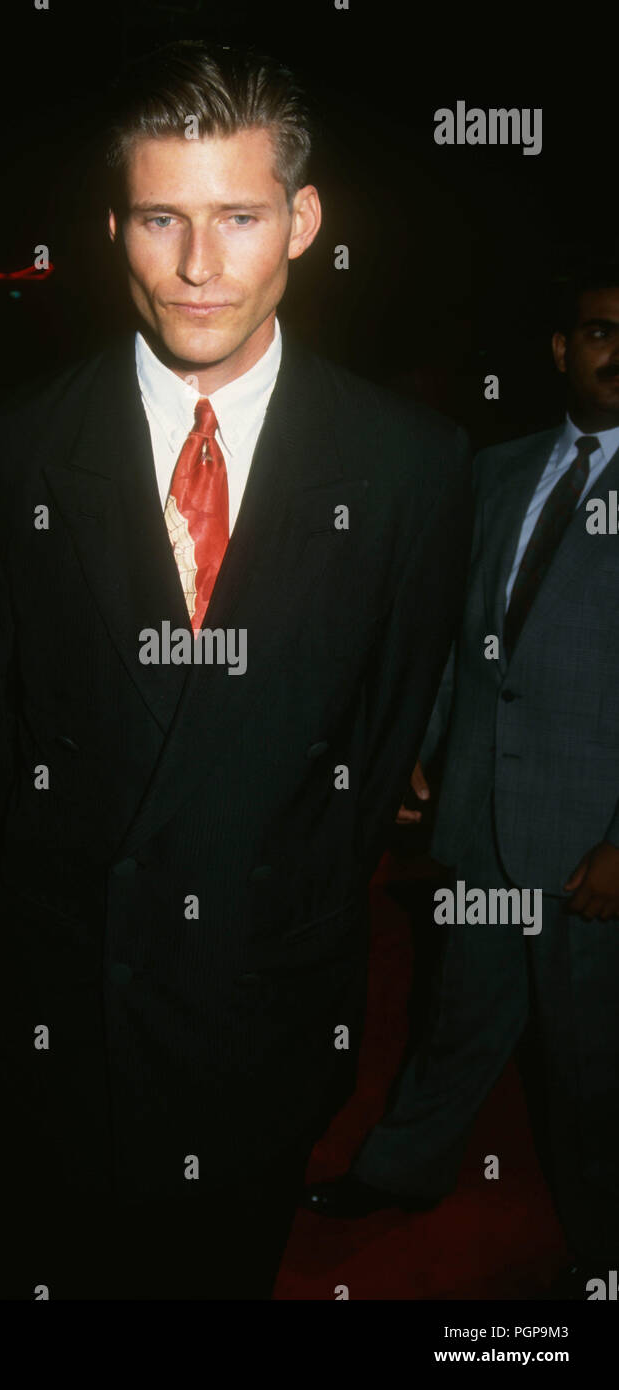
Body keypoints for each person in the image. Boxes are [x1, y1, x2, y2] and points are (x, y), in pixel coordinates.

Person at [0, 38, 472, 1299]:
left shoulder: (412, 465)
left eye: (236, 216)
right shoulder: (9, 451)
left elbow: (383, 733)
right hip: (66, 1012)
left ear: (303, 220)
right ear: (113, 225)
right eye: (161, 218)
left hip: (265, 1009)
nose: (196, 267)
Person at [305, 265, 619, 1300]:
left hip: (592, 843)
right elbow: (457, 638)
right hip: (482, 812)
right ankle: (401, 1171)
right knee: (459, 1014)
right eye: (600, 331)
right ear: (561, 349)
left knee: (591, 1063)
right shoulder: (498, 470)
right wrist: (422, 747)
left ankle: (601, 1246)